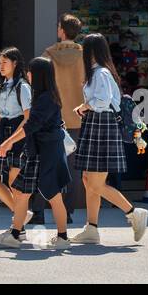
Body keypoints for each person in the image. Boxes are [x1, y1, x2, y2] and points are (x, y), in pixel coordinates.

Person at [70, 33, 148, 244]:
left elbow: (102, 101)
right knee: (89, 180)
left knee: (94, 183)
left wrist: (83, 106)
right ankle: (91, 228)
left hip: (101, 125)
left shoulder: (100, 73)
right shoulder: (99, 72)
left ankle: (133, 212)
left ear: (90, 52)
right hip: (98, 124)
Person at [0, 57, 72, 249]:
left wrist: (8, 142)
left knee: (53, 195)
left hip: (46, 153)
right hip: (38, 152)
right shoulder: (44, 95)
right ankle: (15, 233)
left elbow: (30, 126)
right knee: (21, 192)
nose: (27, 74)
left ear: (39, 75)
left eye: (30, 71)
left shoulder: (46, 99)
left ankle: (62, 238)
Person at [43, 13, 85, 219]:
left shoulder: (49, 54)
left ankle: (47, 207)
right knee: (73, 166)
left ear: (61, 30)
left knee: (48, 162)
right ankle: (68, 210)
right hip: (78, 116)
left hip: (54, 116)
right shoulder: (84, 55)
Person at [0, 47, 30, 220]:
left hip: (18, 134)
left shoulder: (22, 86)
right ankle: (20, 215)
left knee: (14, 182)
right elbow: (0, 115)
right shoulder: (1, 85)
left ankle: (18, 225)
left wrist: (11, 140)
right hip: (3, 132)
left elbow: (28, 118)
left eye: (5, 62)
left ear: (15, 63)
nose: (1, 66)